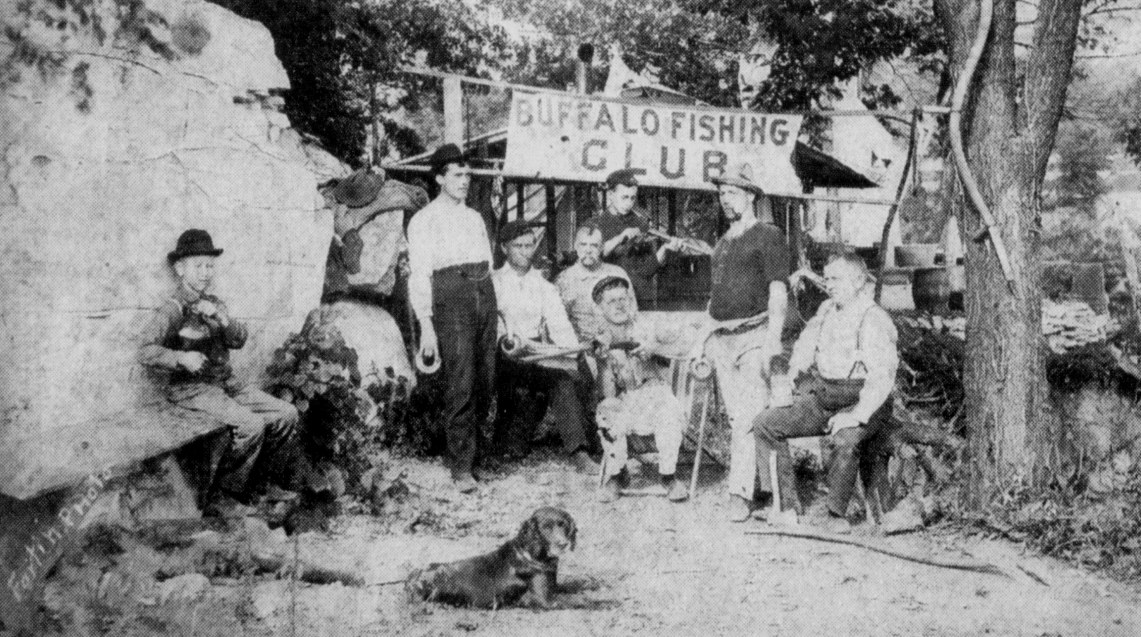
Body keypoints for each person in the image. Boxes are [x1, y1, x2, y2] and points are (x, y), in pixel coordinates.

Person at [139, 229, 304, 515]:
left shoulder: (215, 304)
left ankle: (259, 486)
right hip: (191, 389)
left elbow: (238, 339)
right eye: (198, 265)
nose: (205, 272)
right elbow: (145, 350)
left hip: (226, 384)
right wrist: (181, 357)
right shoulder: (172, 309)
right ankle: (223, 497)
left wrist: (221, 317)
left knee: (286, 414)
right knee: (251, 425)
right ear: (180, 269)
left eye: (209, 265)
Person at [753, 253, 899, 533]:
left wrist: (856, 416)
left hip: (865, 400)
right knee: (766, 423)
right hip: (826, 395)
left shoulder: (874, 318)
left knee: (843, 439)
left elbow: (882, 378)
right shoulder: (826, 311)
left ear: (858, 281)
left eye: (837, 279)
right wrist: (792, 376)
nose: (830, 285)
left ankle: (836, 513)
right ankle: (785, 507)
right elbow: (805, 346)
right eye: (827, 278)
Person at [694, 162, 790, 522]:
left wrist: (773, 341)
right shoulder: (723, 242)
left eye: (731, 193)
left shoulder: (768, 235)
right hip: (722, 340)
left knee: (747, 418)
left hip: (754, 336)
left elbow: (778, 290)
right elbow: (714, 300)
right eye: (721, 194)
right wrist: (700, 340)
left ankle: (740, 493)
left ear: (750, 195)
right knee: (740, 417)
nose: (724, 200)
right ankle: (762, 486)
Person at [406, 144, 497, 494]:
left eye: (468, 175)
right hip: (450, 297)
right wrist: (427, 324)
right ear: (440, 177)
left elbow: (487, 266)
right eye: (457, 175)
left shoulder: (474, 217)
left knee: (486, 379)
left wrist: (495, 311)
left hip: (483, 293)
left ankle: (475, 454)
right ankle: (460, 466)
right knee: (461, 380)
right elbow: (419, 276)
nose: (464, 181)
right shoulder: (423, 220)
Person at [492, 220, 599, 472]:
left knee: (560, 378)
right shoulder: (494, 282)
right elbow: (492, 322)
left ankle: (580, 452)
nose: (525, 251)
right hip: (503, 352)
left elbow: (560, 325)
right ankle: (505, 438)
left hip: (537, 352)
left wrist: (571, 352)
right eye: (518, 246)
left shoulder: (543, 286)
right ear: (505, 247)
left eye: (530, 245)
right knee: (513, 448)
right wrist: (506, 343)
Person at [592, 276, 688, 503]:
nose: (619, 305)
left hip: (657, 396)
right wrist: (604, 363)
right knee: (606, 408)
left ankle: (668, 476)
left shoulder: (649, 326)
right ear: (600, 308)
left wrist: (655, 348)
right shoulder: (601, 339)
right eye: (611, 301)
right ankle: (617, 474)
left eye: (623, 299)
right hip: (628, 405)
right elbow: (608, 394)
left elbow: (687, 342)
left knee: (664, 404)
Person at [595, 168, 679, 307]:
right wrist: (621, 237)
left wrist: (665, 249)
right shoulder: (598, 223)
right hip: (609, 301)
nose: (629, 203)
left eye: (633, 197)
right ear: (610, 195)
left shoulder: (640, 223)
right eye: (624, 197)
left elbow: (648, 270)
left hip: (638, 299)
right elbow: (595, 257)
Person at [555, 223, 636, 343]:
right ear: (576, 246)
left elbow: (633, 314)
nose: (588, 250)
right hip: (582, 349)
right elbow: (557, 325)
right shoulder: (564, 280)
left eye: (594, 245)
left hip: (618, 345)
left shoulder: (618, 274)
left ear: (602, 247)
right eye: (583, 245)